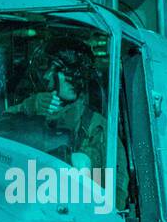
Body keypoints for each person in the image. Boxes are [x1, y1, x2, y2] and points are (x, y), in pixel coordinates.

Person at [12, 44, 128, 211]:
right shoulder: (31, 111)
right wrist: (26, 109)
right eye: (47, 69)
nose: (47, 77)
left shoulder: (98, 130)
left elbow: (110, 203)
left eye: (57, 69)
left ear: (77, 76)